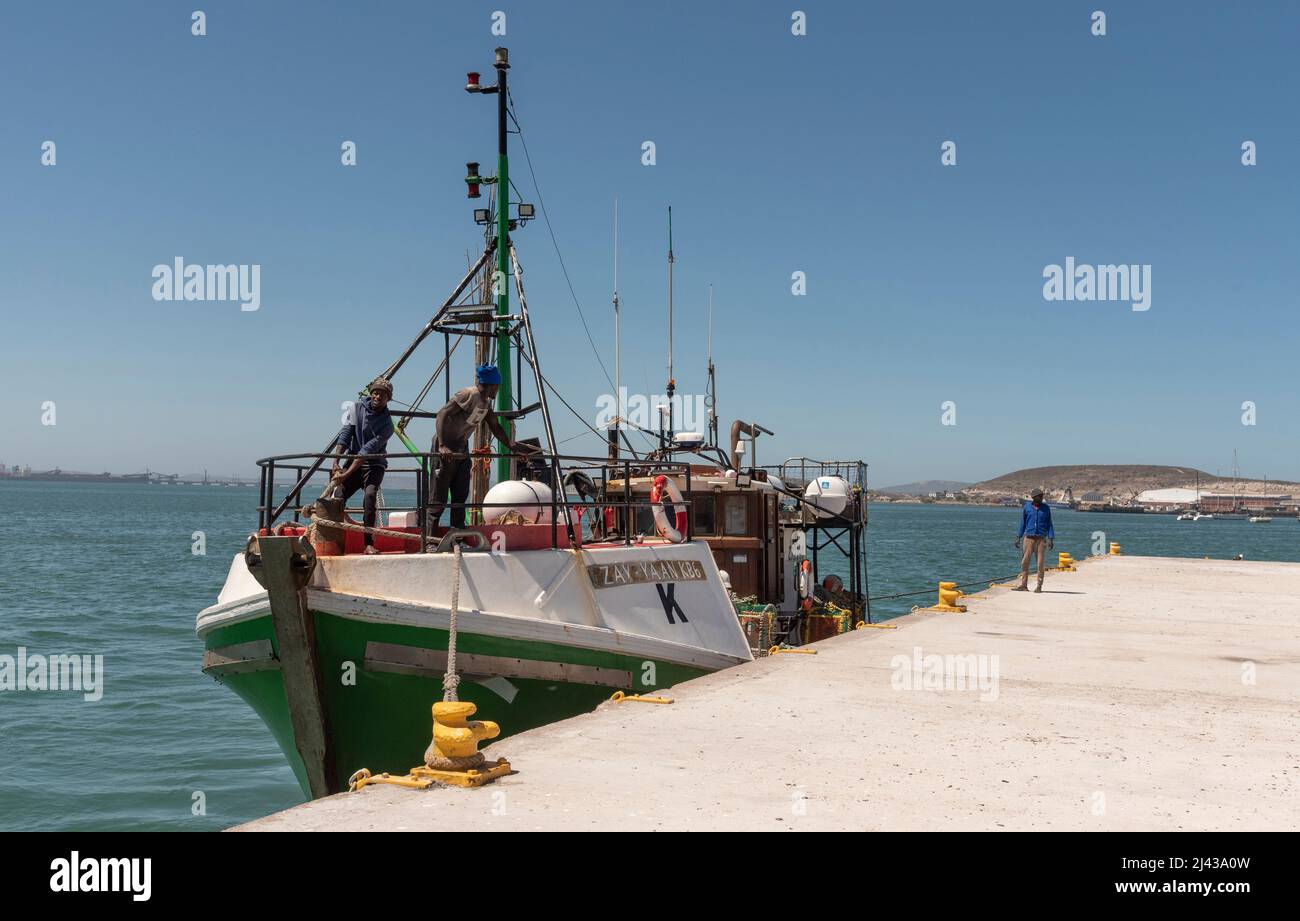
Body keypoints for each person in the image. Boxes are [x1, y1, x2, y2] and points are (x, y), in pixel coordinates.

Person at [430, 364, 533, 529]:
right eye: (497, 387)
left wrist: (512, 446)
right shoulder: (468, 394)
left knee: (460, 493)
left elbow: (495, 427)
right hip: (446, 449)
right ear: (493, 385)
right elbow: (442, 414)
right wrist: (442, 445)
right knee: (439, 495)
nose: (497, 390)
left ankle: (458, 534)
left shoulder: (485, 404)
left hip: (461, 449)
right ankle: (429, 537)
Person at [330, 378, 394, 554]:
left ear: (388, 398)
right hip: (353, 461)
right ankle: (332, 539)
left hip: (374, 465)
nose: (378, 396)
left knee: (370, 496)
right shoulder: (356, 409)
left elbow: (366, 451)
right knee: (339, 495)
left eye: (382, 394)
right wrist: (335, 462)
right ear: (370, 393)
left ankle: (368, 543)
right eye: (375, 392)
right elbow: (345, 435)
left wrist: (345, 474)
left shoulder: (388, 425)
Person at [1014, 487, 1054, 592]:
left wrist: (1051, 538)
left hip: (1041, 539)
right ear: (1034, 497)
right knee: (1024, 562)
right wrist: (1018, 536)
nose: (1042, 498)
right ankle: (1024, 585)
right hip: (1028, 538)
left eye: (1042, 496)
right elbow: (1023, 523)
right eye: (1040, 496)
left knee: (1040, 563)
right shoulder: (1027, 507)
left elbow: (1049, 524)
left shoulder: (1046, 508)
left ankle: (1039, 586)